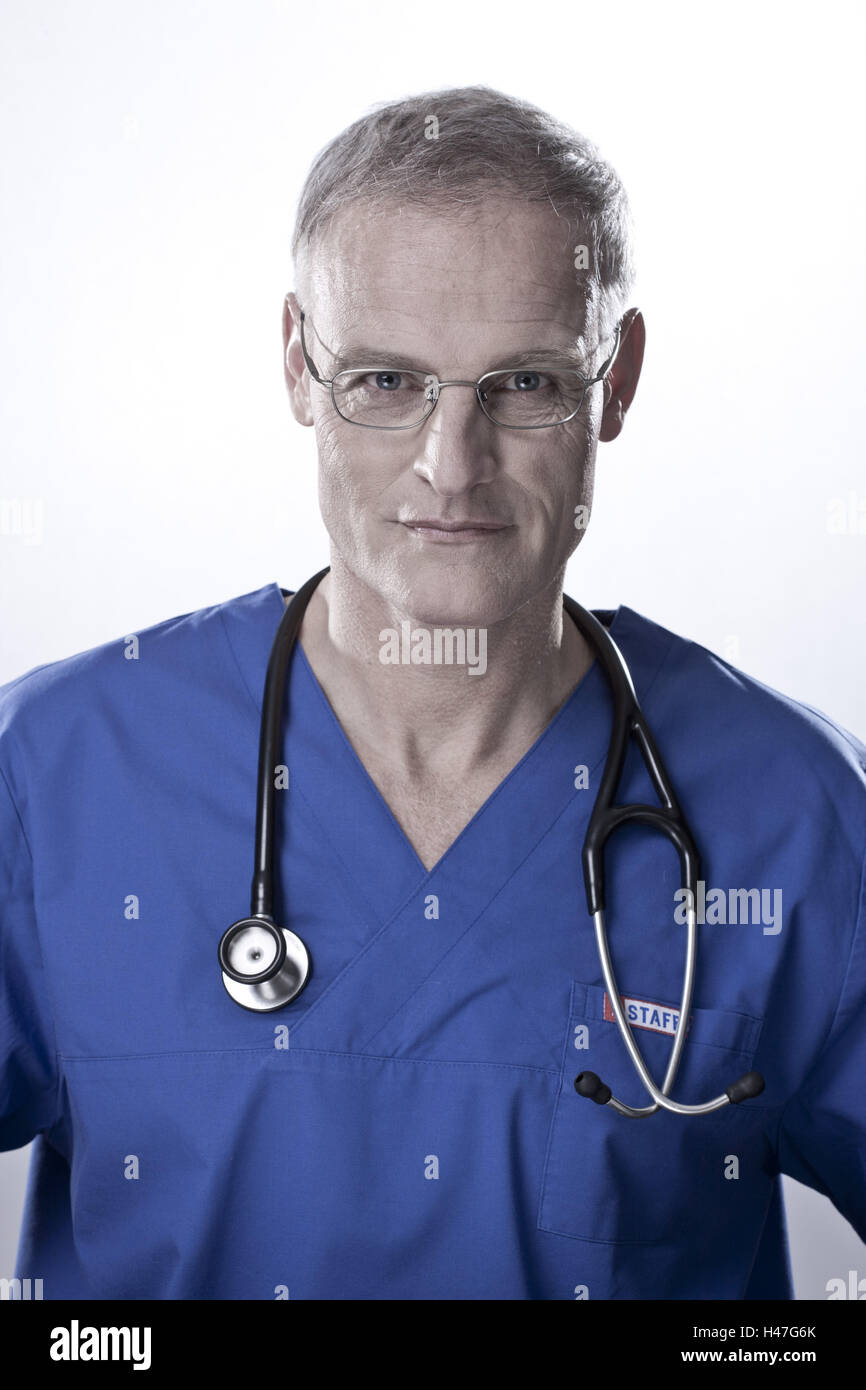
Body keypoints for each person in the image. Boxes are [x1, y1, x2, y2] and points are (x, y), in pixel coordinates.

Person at [1, 84, 864, 1302]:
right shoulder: (58, 771)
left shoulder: (795, 810)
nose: (449, 468)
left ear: (613, 381)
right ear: (298, 363)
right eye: (387, 381)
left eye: (522, 385)